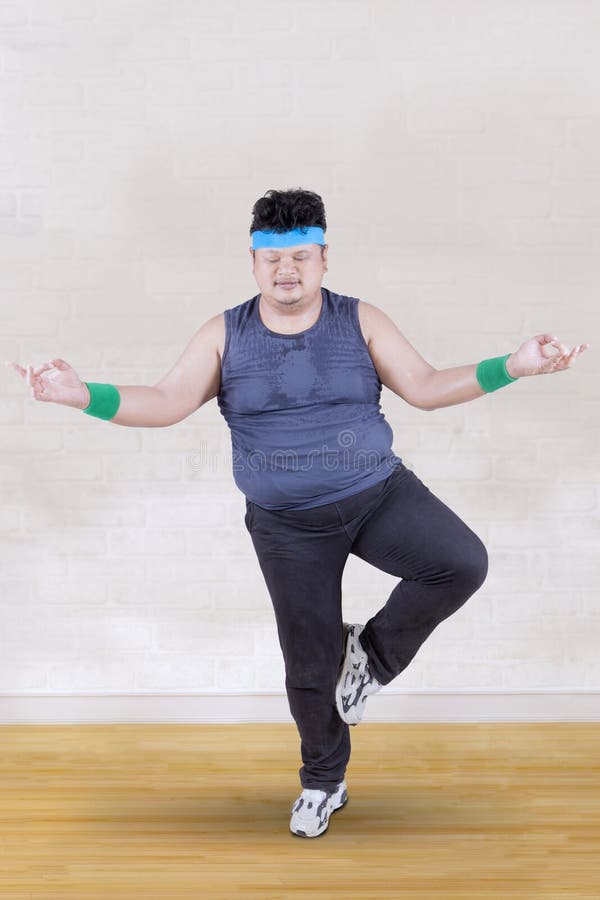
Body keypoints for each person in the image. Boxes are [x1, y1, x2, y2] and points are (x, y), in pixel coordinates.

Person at [5, 188, 589, 840]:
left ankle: (368, 654)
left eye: (303, 258)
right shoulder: (225, 333)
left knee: (460, 563)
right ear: (255, 262)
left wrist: (515, 365)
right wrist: (79, 394)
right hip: (287, 527)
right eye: (274, 259)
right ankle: (323, 782)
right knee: (308, 668)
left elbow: (424, 387)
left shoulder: (360, 320)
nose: (288, 271)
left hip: (378, 493)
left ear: (323, 258)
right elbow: (168, 400)